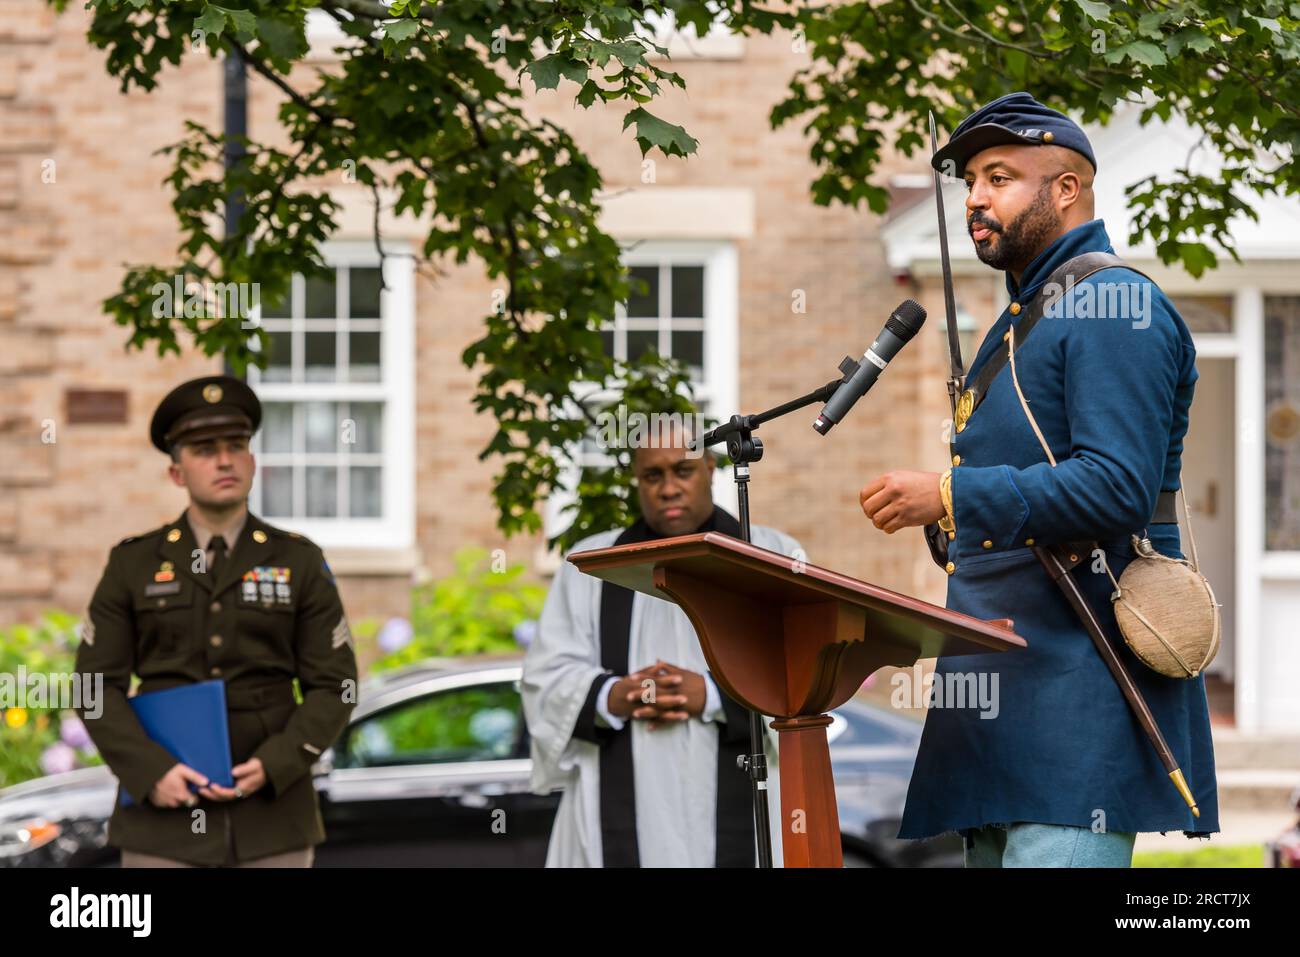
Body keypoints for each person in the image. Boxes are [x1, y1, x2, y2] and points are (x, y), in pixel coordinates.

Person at [858, 92, 1219, 867]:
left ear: (1067, 189)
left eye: (999, 177)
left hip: (1075, 699)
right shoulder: (1027, 317)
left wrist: (952, 495)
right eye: (972, 183)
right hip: (995, 700)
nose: (978, 198)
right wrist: (950, 519)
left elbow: (1117, 487)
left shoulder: (1115, 305)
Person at [75, 374, 358, 867]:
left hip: (274, 816)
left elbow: (336, 685)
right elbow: (93, 686)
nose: (224, 460)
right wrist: (149, 771)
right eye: (204, 449)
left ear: (252, 459)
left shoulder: (300, 561)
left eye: (236, 445)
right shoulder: (133, 564)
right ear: (177, 473)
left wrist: (279, 762)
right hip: (164, 817)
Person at [522, 423, 803, 866]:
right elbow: (545, 678)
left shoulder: (769, 554)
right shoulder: (590, 564)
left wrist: (711, 694)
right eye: (653, 476)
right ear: (637, 481)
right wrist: (612, 694)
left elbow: (803, 670)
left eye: (683, 470)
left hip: (739, 800)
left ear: (711, 469)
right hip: (617, 798)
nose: (668, 488)